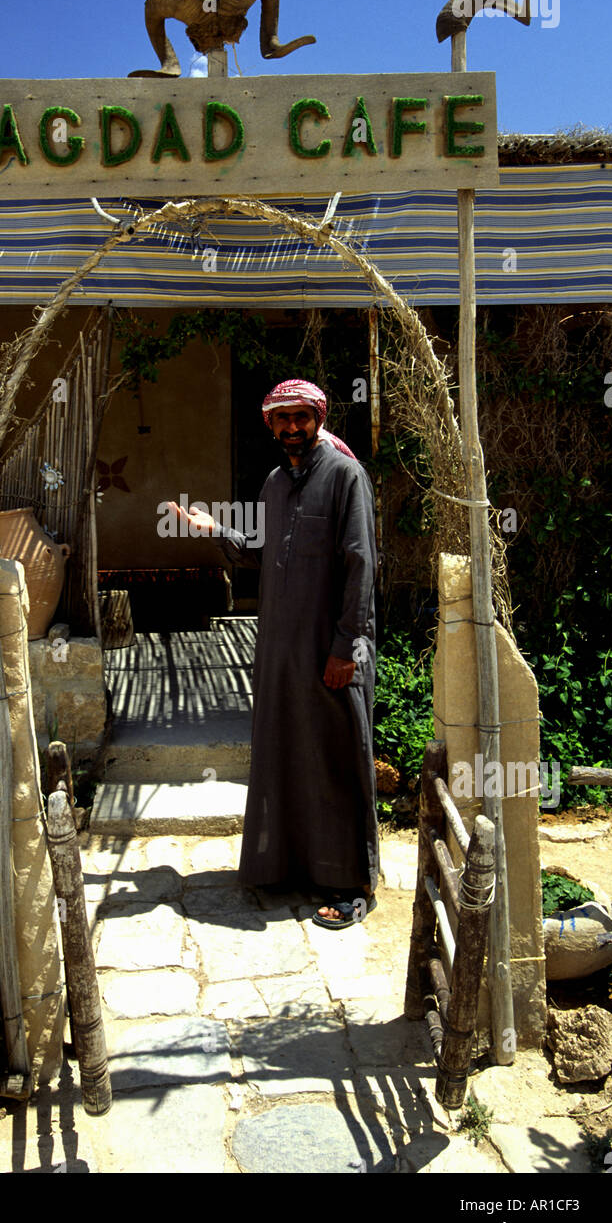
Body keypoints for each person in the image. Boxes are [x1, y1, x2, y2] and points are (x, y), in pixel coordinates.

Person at [170, 378, 378, 929]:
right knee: (288, 756)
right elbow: (264, 552)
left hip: (330, 650)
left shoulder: (345, 476)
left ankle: (349, 885)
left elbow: (361, 567)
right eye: (281, 418)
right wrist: (214, 530)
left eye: (300, 417)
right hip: (281, 651)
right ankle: (289, 865)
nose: (292, 427)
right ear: (270, 424)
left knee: (334, 760)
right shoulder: (274, 484)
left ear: (318, 417)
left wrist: (345, 648)